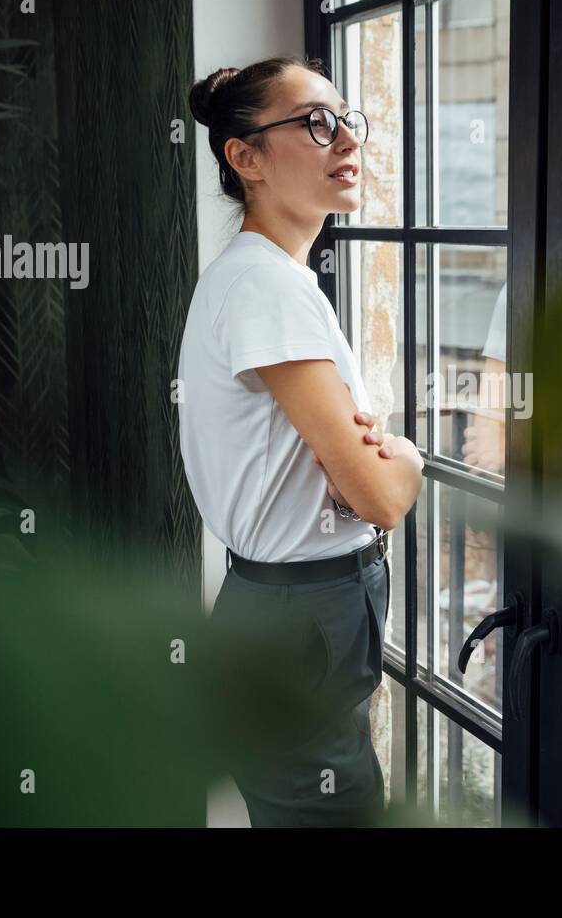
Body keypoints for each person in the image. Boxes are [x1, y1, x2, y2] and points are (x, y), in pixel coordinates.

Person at [178, 55, 424, 826]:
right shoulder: (265, 287)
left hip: (291, 609)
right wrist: (407, 459)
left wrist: (355, 459)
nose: (346, 137)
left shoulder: (270, 279)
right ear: (244, 157)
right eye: (316, 122)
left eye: (350, 119)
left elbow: (336, 465)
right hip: (300, 613)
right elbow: (378, 493)